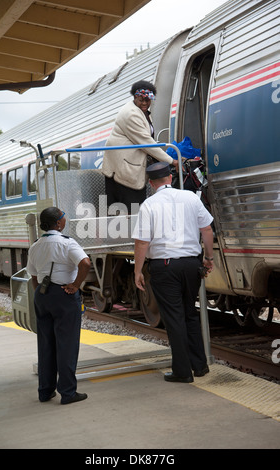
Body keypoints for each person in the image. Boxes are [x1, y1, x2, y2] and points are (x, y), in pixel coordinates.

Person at [132, 162, 214, 383]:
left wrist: (137, 270)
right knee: (189, 313)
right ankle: (200, 366)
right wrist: (208, 258)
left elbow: (141, 242)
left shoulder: (149, 204)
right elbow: (207, 229)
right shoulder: (190, 198)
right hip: (191, 265)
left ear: (151, 183)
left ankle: (182, 371)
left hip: (165, 267)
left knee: (174, 318)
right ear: (170, 177)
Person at [26, 207, 91, 404]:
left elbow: (34, 275)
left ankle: (45, 391)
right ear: (58, 223)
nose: (66, 219)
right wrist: (75, 285)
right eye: (63, 217)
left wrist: (42, 293)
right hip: (64, 294)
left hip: (42, 295)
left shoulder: (35, 246)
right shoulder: (67, 243)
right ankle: (68, 392)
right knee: (67, 344)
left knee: (46, 343)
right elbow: (85, 263)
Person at [102, 80, 179, 214]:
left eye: (148, 100)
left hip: (127, 169)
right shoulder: (131, 114)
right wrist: (172, 161)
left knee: (132, 213)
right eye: (141, 99)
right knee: (131, 214)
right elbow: (146, 143)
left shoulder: (141, 112)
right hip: (123, 171)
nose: (144, 103)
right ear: (134, 97)